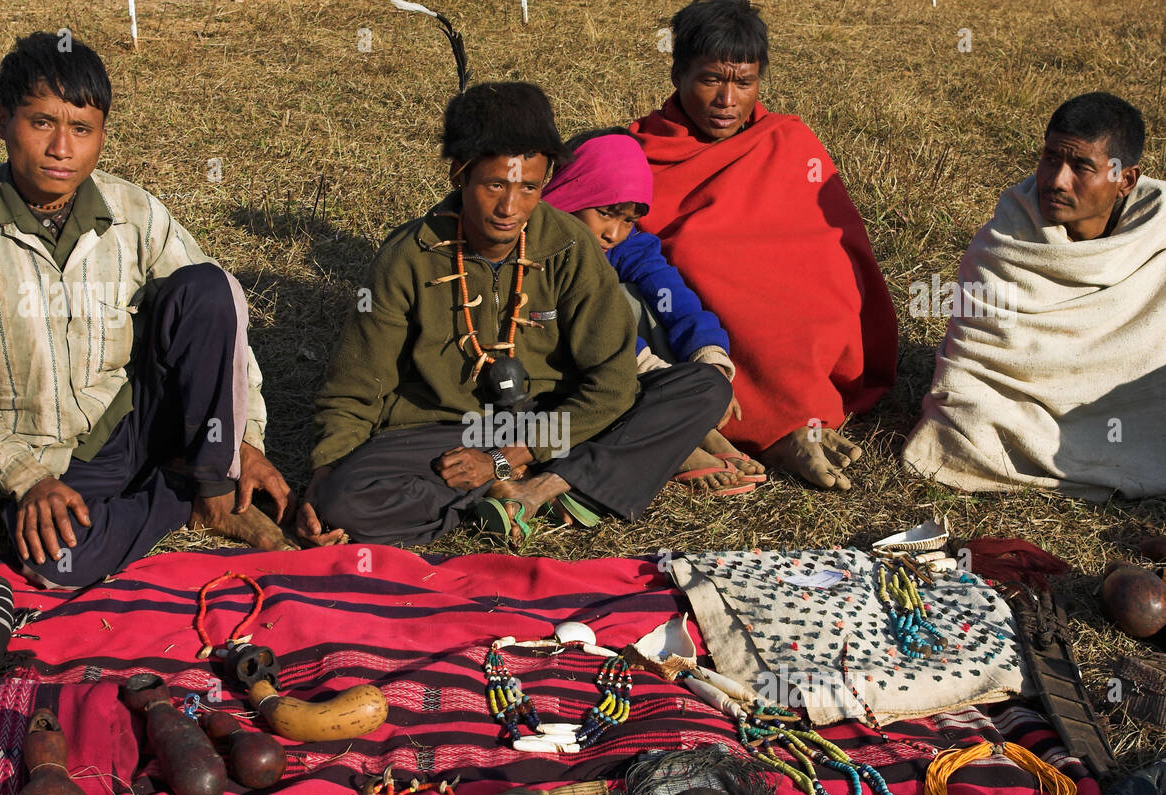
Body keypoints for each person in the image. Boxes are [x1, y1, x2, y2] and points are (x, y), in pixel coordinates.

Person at [0, 32, 292, 588]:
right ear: (3, 120)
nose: (62, 148)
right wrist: (24, 478)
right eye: (41, 123)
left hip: (138, 416)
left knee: (208, 285)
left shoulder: (133, 210)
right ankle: (189, 495)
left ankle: (210, 475)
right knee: (60, 562)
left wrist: (244, 438)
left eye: (82, 129)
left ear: (101, 135)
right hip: (47, 455)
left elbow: (221, 323)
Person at [294, 82, 731, 547]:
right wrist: (324, 476)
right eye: (495, 185)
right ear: (460, 175)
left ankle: (535, 483)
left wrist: (507, 454)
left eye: (529, 188)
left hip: (552, 416)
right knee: (343, 504)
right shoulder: (406, 257)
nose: (510, 208)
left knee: (702, 387)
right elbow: (355, 386)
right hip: (444, 429)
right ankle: (548, 481)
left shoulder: (569, 246)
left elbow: (611, 382)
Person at [631, 0, 898, 491]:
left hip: (797, 295)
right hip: (699, 321)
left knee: (825, 275)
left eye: (745, 83)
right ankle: (778, 430)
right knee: (698, 261)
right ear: (677, 73)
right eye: (711, 79)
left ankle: (805, 414)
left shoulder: (788, 139)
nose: (727, 100)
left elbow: (839, 234)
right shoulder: (636, 153)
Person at [903, 92, 1165, 500]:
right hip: (1022, 413)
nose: (1057, 180)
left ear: (1124, 180)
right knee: (962, 418)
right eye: (1050, 159)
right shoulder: (1004, 241)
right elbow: (972, 368)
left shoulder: (1157, 237)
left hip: (1130, 408)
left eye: (1081, 167)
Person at [541, 127, 765, 494]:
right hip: (580, 375)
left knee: (639, 297)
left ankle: (690, 425)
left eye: (628, 219)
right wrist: (662, 378)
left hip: (634, 365)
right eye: (605, 212)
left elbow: (671, 296)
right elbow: (588, 326)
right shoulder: (542, 256)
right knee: (607, 302)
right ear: (571, 193)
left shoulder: (625, 246)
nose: (614, 232)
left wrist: (708, 358)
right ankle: (674, 442)